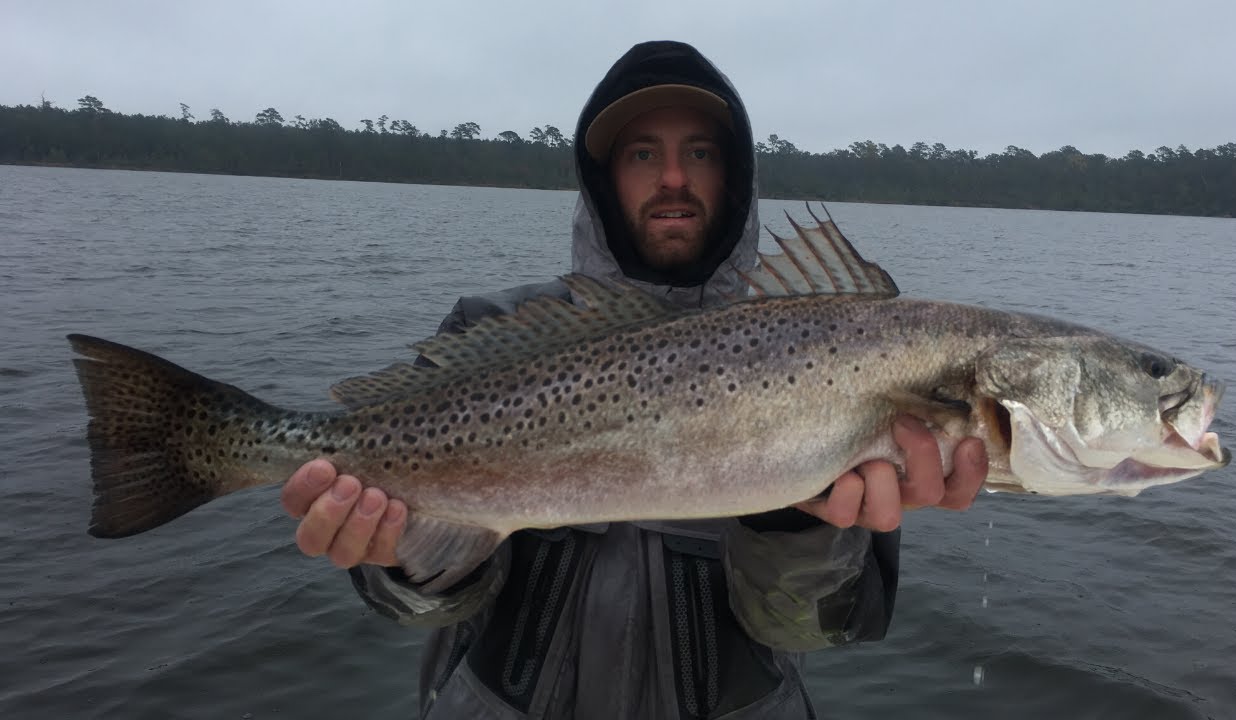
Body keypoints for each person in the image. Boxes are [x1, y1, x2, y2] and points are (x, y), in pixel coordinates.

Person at [281, 40, 987, 719]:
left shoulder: (845, 355)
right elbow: (425, 603)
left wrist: (798, 517)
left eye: (700, 153)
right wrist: (398, 565)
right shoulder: (489, 329)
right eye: (643, 153)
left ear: (734, 174)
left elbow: (809, 630)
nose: (672, 178)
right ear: (602, 178)